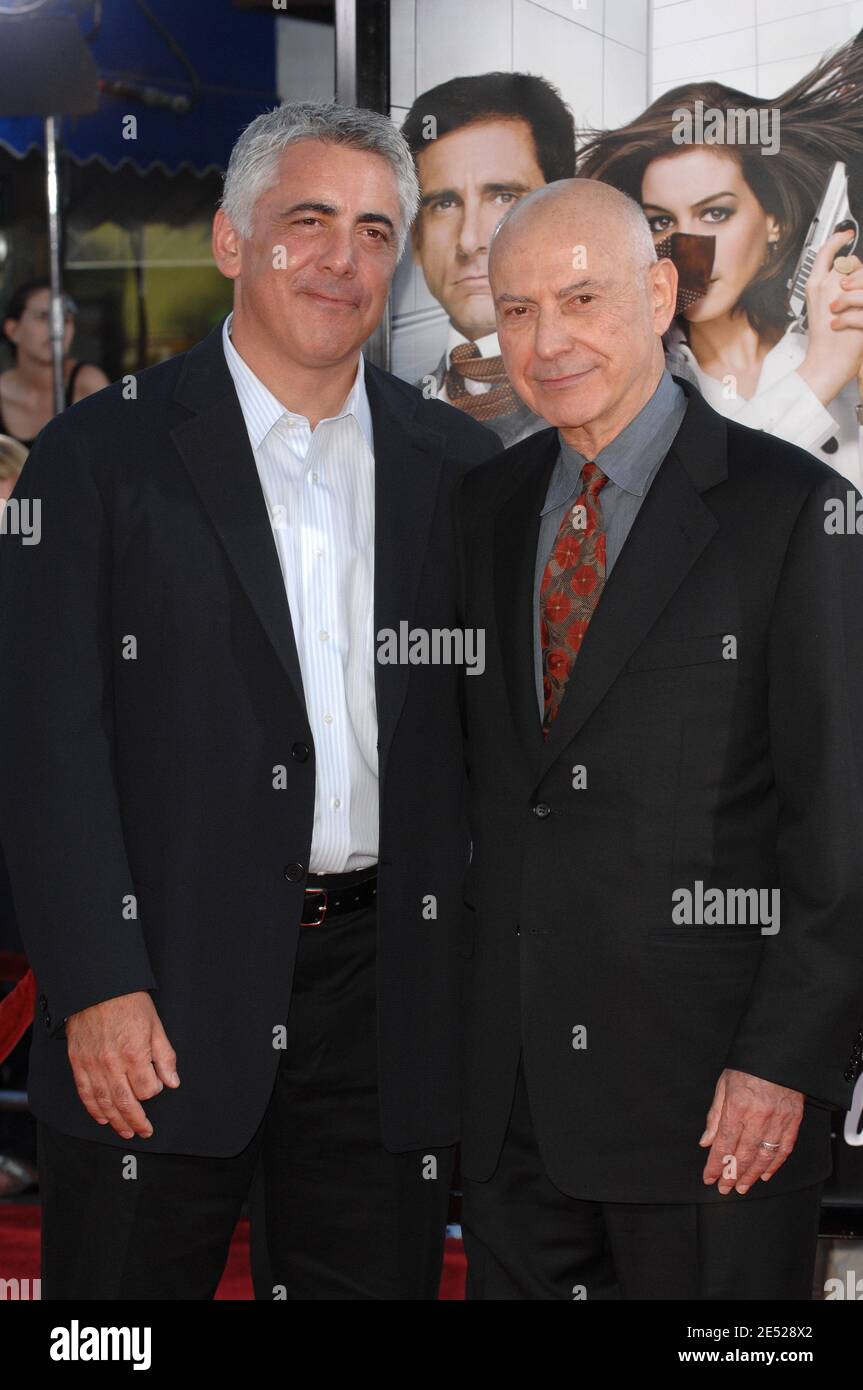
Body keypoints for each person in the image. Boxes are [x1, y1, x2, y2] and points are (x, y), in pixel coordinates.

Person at [0, 100, 500, 1300]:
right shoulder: (96, 457)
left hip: (385, 1010)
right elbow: (40, 743)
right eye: (309, 221)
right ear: (231, 241)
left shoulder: (460, 467)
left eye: (377, 230)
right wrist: (98, 982)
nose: (344, 258)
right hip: (154, 998)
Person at [454, 177, 863, 1300]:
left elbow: (838, 827)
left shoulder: (790, 512)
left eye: (581, 299)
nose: (547, 340)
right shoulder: (476, 514)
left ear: (657, 291)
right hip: (511, 1118)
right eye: (519, 308)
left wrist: (781, 1062)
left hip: (713, 1116)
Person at [577, 37, 863, 490]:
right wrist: (820, 376)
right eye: (661, 222)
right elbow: (692, 510)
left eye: (714, 213)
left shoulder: (836, 334)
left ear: (774, 222)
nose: (688, 251)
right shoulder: (635, 378)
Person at [401, 72, 575, 445]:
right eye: (444, 204)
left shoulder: (618, 394)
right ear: (415, 238)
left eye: (502, 196)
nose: (469, 240)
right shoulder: (392, 416)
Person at [0, 281, 108, 446]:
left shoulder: (87, 384)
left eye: (66, 319)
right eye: (44, 317)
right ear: (13, 330)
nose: (56, 328)